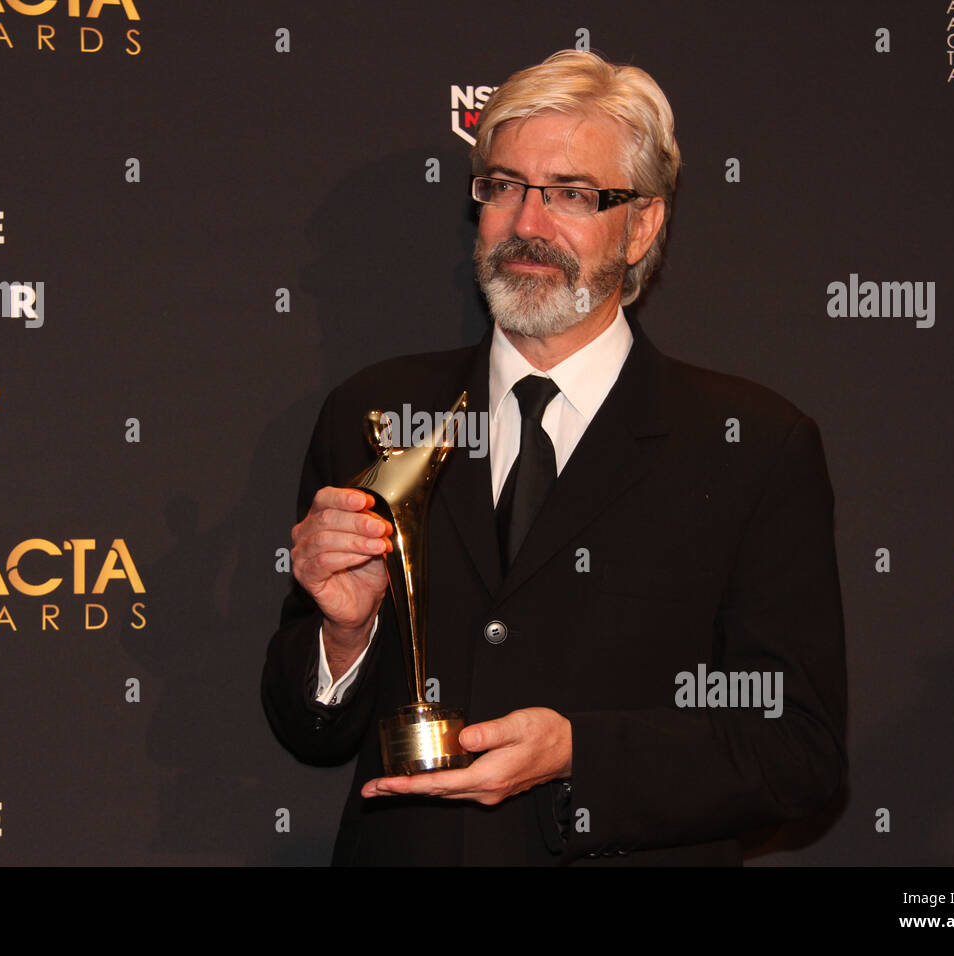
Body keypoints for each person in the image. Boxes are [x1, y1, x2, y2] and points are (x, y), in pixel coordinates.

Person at [262, 49, 846, 865]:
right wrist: (344, 633)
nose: (527, 225)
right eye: (503, 187)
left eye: (571, 193)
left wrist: (580, 754)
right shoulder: (377, 414)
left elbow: (798, 753)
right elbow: (306, 726)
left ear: (642, 225)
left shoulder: (752, 444)